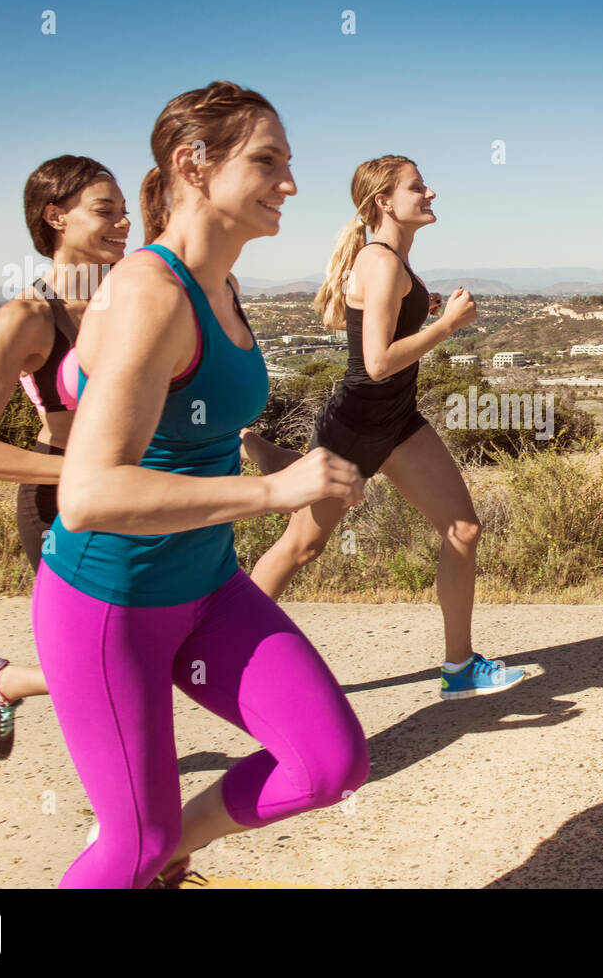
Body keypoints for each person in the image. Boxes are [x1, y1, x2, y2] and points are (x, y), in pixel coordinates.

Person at [32, 81, 368, 888]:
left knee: (330, 763)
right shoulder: (152, 290)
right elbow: (87, 495)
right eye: (267, 161)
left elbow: (194, 416)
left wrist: (268, 462)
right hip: (112, 602)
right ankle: (148, 852)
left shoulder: (220, 285)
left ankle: (170, 845)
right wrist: (270, 497)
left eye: (289, 164)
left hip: (207, 586)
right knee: (129, 846)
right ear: (194, 163)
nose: (289, 183)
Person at [248, 155, 525, 699]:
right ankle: (221, 647)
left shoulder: (388, 262)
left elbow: (353, 321)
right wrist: (445, 326)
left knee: (462, 528)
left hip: (396, 421)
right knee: (302, 547)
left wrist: (422, 312)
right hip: (354, 426)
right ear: (383, 202)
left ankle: (459, 667)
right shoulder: (380, 262)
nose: (431, 193)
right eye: (417, 186)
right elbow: (375, 363)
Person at [0, 155, 128, 759]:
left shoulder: (135, 297)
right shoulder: (27, 318)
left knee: (155, 643)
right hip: (61, 505)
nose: (124, 224)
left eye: (126, 212)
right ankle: (3, 683)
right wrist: (82, 474)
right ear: (55, 217)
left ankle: (5, 681)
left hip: (139, 493)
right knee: (114, 659)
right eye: (105, 211)